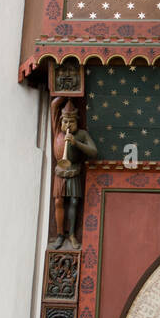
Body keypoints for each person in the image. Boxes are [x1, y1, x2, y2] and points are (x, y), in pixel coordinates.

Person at [50, 99, 97, 250]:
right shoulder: (57, 129)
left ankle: (71, 234)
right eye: (65, 121)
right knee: (58, 202)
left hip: (74, 169)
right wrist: (66, 94)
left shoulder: (81, 134)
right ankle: (59, 235)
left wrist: (76, 143)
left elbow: (94, 151)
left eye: (71, 122)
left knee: (74, 202)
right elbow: (53, 106)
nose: (68, 125)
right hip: (60, 171)